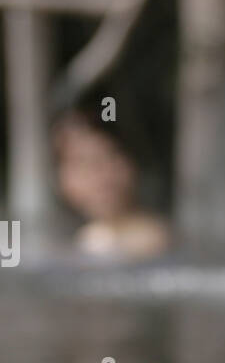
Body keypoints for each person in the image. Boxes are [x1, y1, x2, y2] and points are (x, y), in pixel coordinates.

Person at [52, 110, 170, 262]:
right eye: (83, 163)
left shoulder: (153, 237)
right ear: (61, 177)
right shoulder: (69, 235)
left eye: (111, 157)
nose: (100, 175)